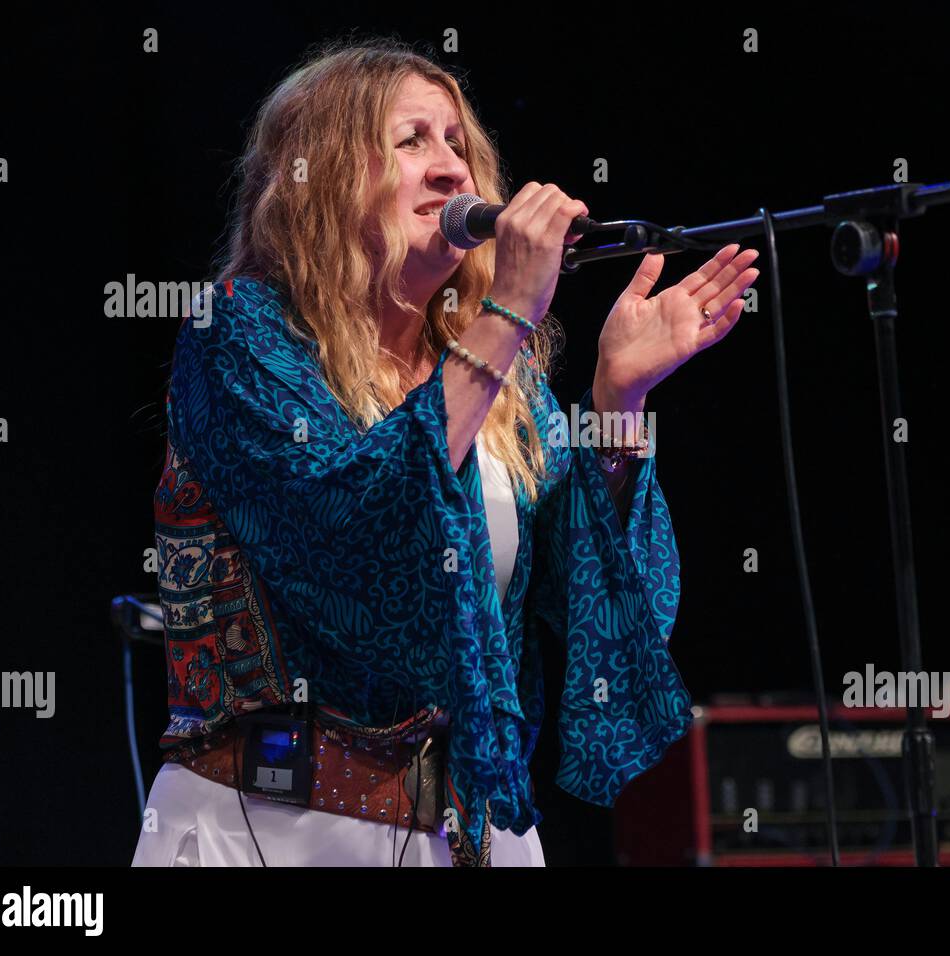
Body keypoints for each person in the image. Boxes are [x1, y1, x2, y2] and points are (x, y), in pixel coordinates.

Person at [131, 37, 759, 868]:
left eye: (458, 144)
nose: (451, 171)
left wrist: (616, 401)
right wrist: (507, 316)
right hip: (271, 829)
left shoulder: (506, 388)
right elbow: (354, 542)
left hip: (466, 832)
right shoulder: (243, 336)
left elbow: (602, 611)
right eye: (411, 141)